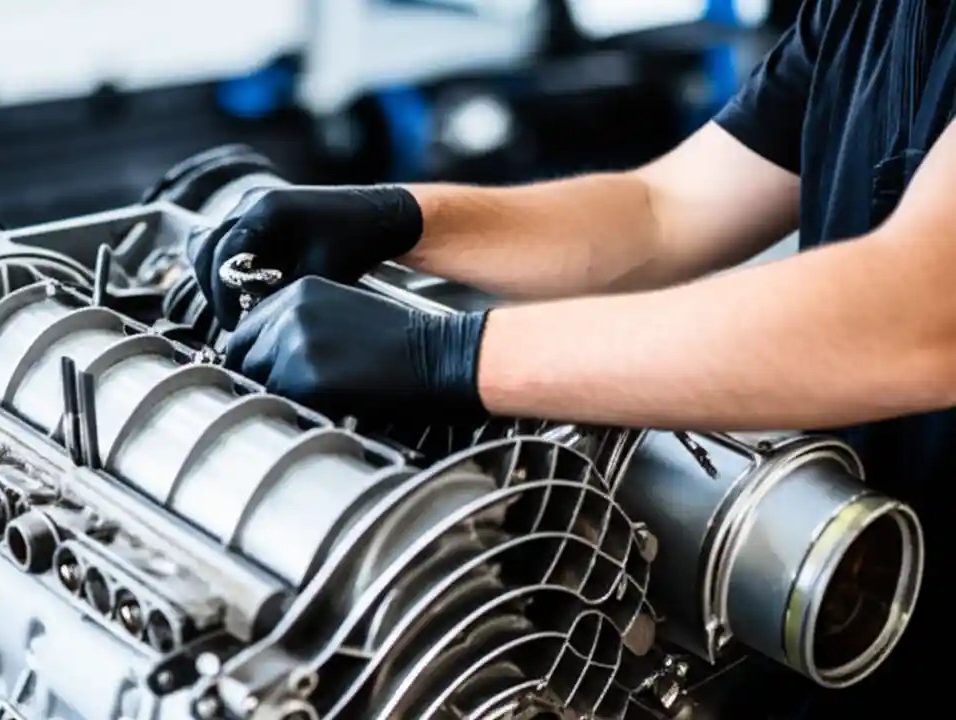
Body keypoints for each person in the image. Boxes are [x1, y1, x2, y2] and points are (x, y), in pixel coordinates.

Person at [190, 1, 948, 715]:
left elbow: (914, 316)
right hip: (839, 593)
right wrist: (403, 217)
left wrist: (449, 355)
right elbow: (667, 210)